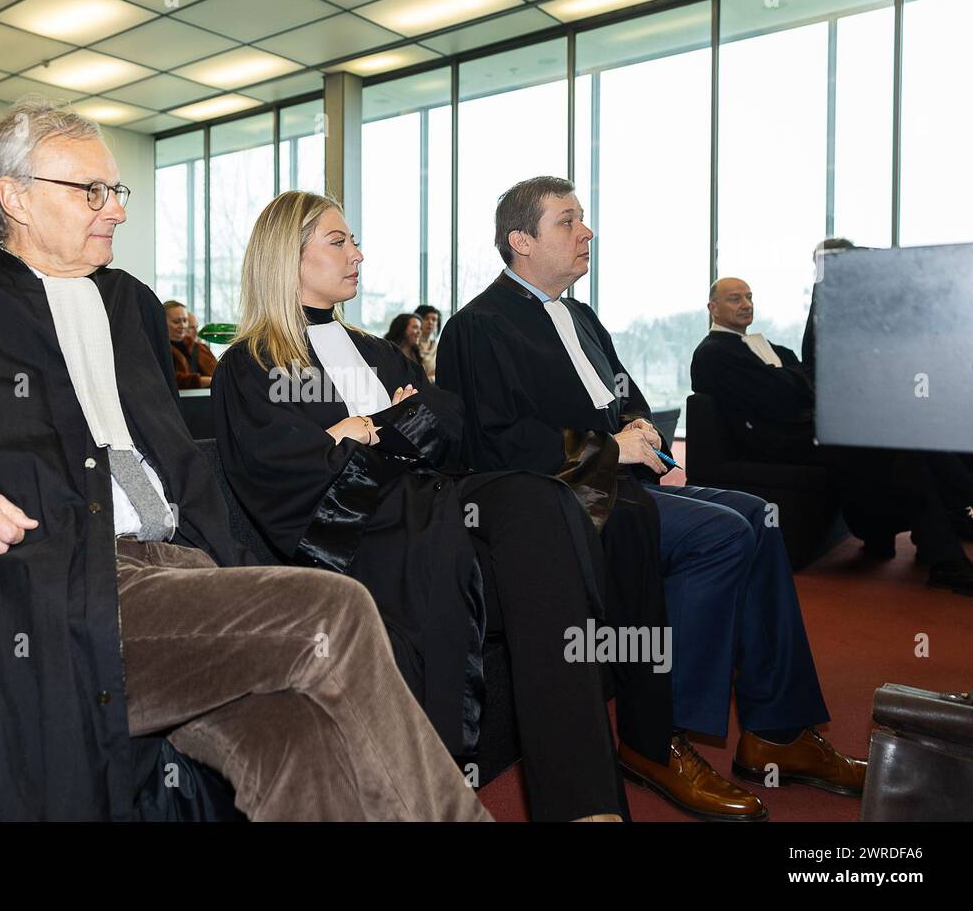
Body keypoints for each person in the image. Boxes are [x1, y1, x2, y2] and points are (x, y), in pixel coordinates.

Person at [0, 99, 489, 823]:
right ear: (15, 197)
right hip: (61, 589)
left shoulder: (131, 307)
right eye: (90, 191)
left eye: (117, 191)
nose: (115, 210)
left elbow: (173, 463)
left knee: (295, 741)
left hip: (185, 577)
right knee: (331, 611)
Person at [209, 190, 704, 822]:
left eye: (353, 240)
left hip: (436, 498)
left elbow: (449, 427)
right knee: (534, 536)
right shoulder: (251, 366)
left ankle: (585, 805)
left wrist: (371, 429)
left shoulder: (377, 350)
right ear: (287, 256)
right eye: (339, 241)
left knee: (539, 495)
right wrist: (395, 425)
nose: (357, 254)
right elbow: (294, 485)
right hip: (370, 529)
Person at [439, 176, 866, 811]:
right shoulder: (477, 327)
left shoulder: (582, 317)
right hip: (559, 507)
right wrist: (610, 448)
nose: (587, 232)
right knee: (726, 533)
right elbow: (494, 445)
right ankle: (654, 737)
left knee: (759, 516)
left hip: (619, 488)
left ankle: (779, 730)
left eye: (582, 220)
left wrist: (637, 427)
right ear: (521, 240)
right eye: (567, 222)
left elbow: (625, 397)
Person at [697, 275, 973, 593]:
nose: (746, 304)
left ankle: (928, 538)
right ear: (712, 307)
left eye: (749, 297)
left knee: (902, 435)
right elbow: (784, 395)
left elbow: (807, 382)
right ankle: (942, 538)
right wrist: (791, 377)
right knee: (895, 447)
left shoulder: (763, 345)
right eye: (735, 299)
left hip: (802, 428)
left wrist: (786, 377)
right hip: (775, 441)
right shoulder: (713, 353)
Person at [163, 300, 216, 389]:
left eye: (185, 321)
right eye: (176, 322)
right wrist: (201, 381)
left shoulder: (200, 348)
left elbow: (219, 374)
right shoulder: (156, 350)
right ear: (162, 322)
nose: (182, 326)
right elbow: (168, 380)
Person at [414, 304, 440, 381]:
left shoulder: (438, 346)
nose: (430, 322)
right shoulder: (411, 345)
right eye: (426, 318)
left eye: (434, 319)